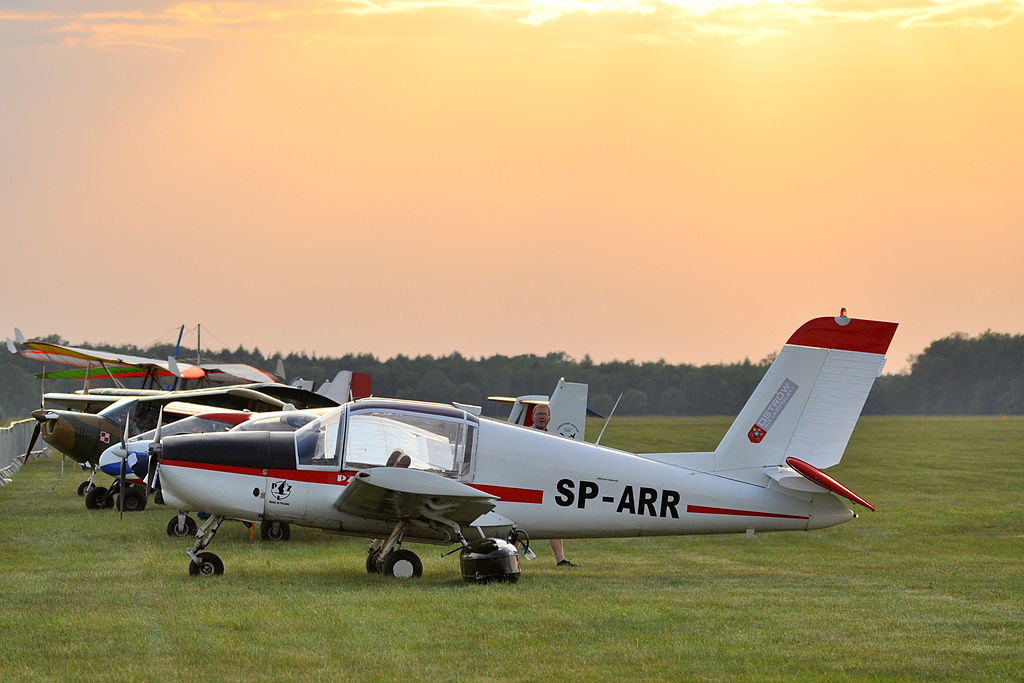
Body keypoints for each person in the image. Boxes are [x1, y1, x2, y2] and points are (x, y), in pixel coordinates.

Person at [530, 403, 581, 568]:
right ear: (532, 417)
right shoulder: (525, 436)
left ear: (549, 419)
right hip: (529, 487)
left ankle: (561, 560)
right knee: (520, 525)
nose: (541, 417)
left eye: (544, 414)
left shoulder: (554, 440)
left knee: (554, 522)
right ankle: (512, 557)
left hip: (548, 488)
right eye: (538, 414)